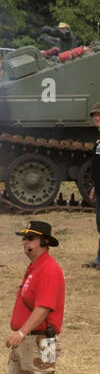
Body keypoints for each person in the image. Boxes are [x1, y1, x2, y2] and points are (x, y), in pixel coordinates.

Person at [6, 220, 66, 374]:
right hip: (28, 340)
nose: (26, 242)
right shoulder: (35, 268)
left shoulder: (48, 269)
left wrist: (21, 332)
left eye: (31, 238)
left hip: (41, 340)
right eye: (25, 238)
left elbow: (44, 308)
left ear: (44, 241)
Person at [86, 105, 100, 269]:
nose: (97, 118)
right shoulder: (98, 139)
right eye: (95, 116)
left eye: (99, 115)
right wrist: (94, 186)